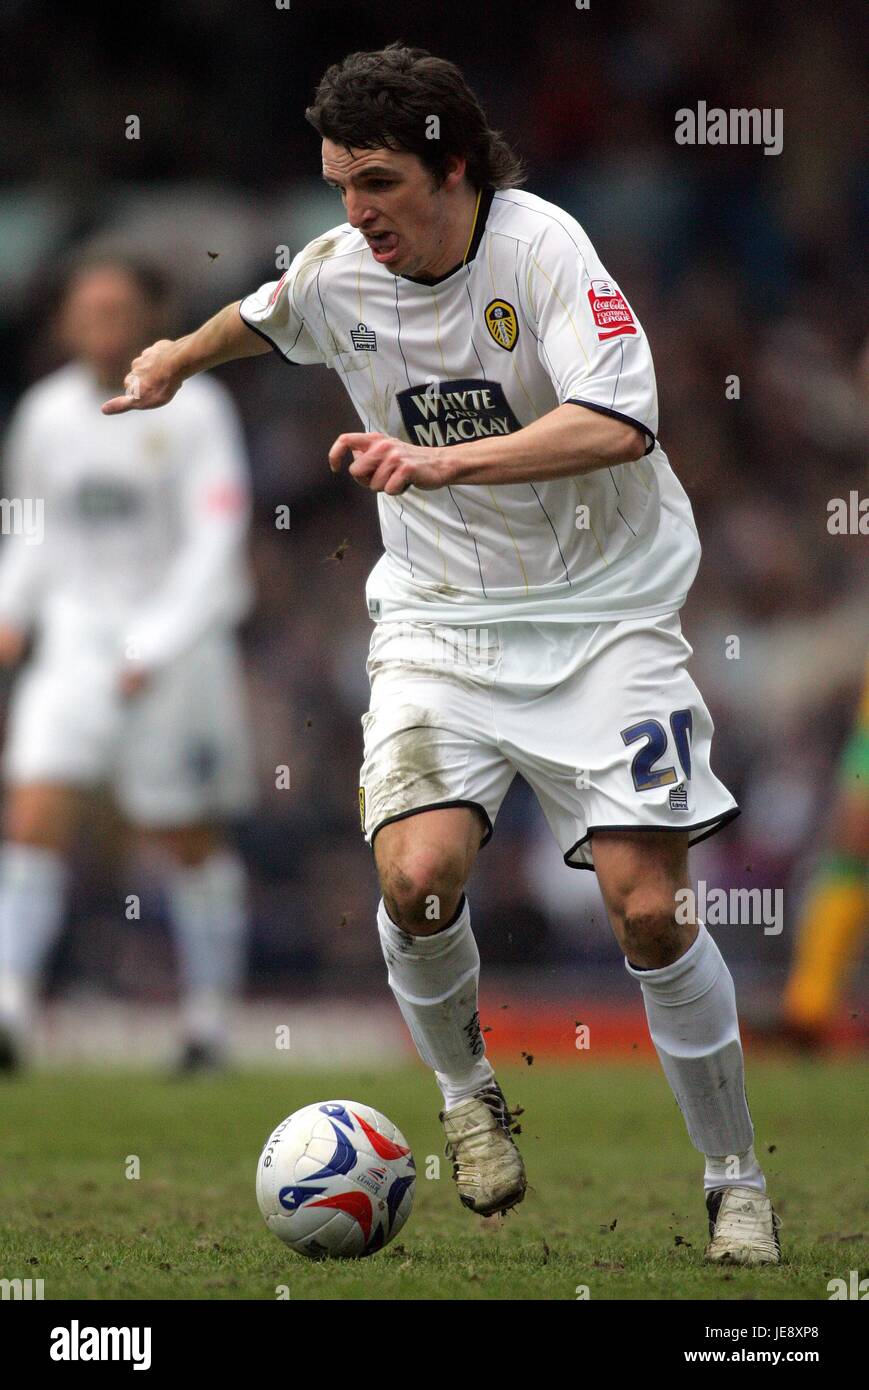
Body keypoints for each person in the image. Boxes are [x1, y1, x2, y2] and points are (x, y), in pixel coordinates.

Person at [103, 44, 780, 1264]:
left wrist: (440, 461)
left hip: (606, 616)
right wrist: (174, 359)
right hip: (440, 623)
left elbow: (622, 421)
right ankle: (469, 1097)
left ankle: (734, 1180)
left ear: (450, 166)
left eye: (374, 184)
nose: (353, 215)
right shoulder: (339, 267)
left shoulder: (542, 251)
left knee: (649, 912)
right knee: (414, 878)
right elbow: (261, 314)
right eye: (336, 187)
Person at [0, 252, 255, 1073]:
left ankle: (208, 1020)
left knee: (182, 833)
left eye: (116, 307)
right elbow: (33, 532)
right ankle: (9, 1007)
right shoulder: (43, 415)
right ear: (66, 319)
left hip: (176, 646)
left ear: (150, 315)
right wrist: (11, 613)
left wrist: (157, 642)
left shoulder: (196, 411)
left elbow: (216, 538)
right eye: (87, 306)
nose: (100, 322)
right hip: (77, 639)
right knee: (36, 807)